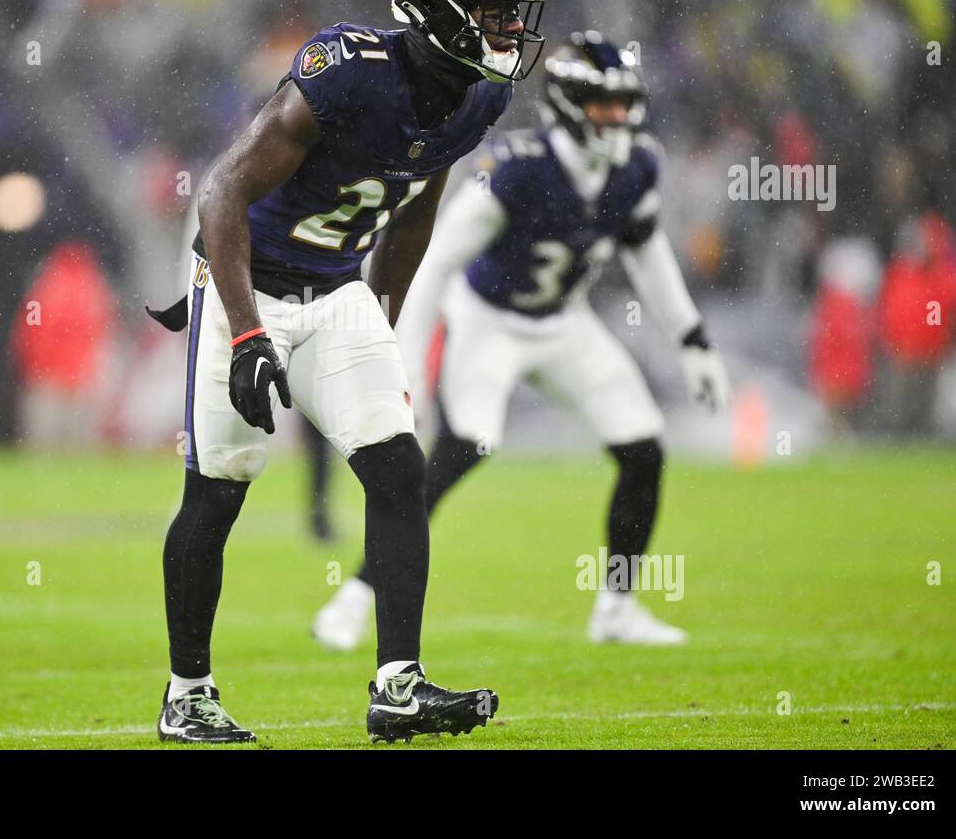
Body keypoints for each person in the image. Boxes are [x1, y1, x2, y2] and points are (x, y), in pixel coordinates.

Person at [146, 0, 545, 743]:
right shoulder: (348, 70)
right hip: (245, 280)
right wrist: (249, 333)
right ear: (439, 7)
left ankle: (398, 685)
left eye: (514, 8)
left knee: (399, 471)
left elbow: (414, 213)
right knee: (217, 493)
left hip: (335, 290)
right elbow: (222, 193)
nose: (511, 25)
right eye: (493, 6)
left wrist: (381, 325)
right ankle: (187, 695)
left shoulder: (481, 93)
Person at [313, 32, 730, 652]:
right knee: (463, 450)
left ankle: (616, 607)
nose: (617, 117)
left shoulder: (637, 166)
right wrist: (405, 369)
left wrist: (693, 340)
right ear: (568, 103)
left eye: (623, 104)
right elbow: (433, 267)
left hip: (564, 321)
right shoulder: (517, 168)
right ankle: (356, 595)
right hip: (488, 321)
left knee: (643, 448)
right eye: (602, 104)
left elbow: (648, 254)